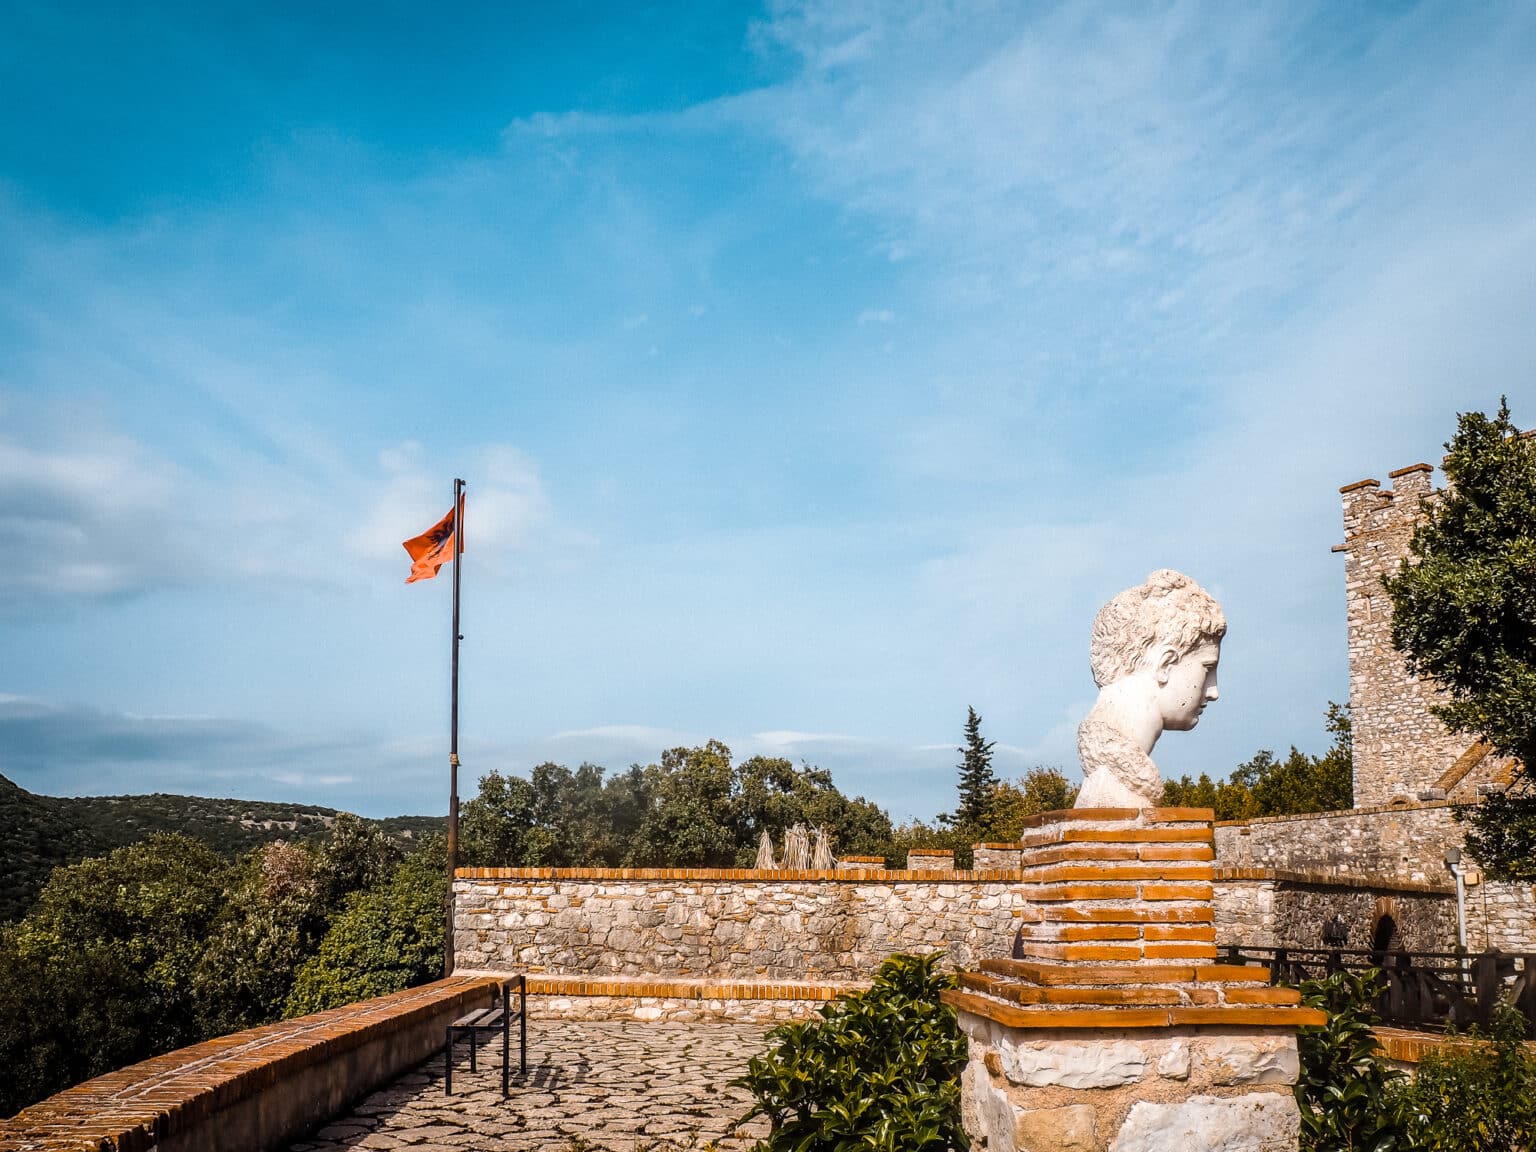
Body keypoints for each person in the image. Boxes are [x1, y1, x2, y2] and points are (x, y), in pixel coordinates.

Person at [1075, 569, 1227, 808]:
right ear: (1165, 664)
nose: (1213, 691)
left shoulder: (1113, 775)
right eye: (1207, 668)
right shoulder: (1115, 788)